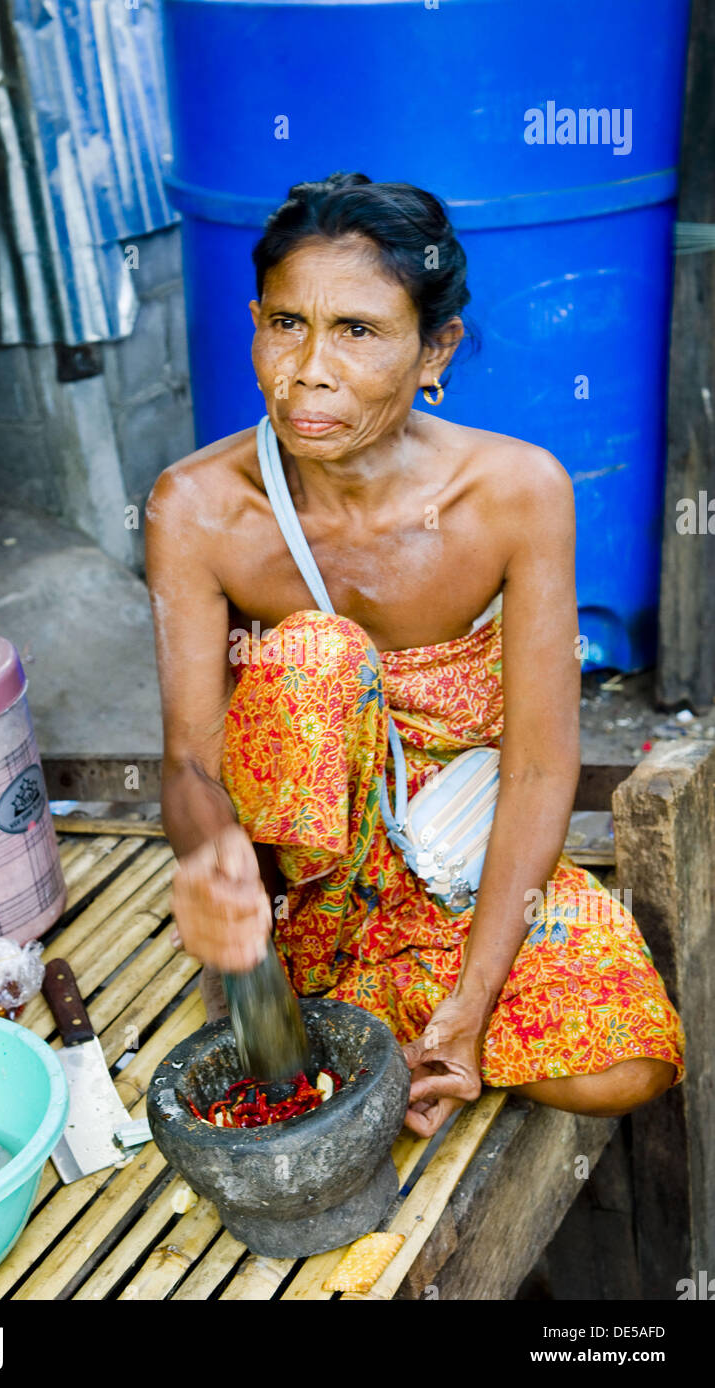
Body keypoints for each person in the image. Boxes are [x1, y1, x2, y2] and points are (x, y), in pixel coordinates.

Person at [145, 171, 685, 1140]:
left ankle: (386, 1028)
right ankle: (310, 991)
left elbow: (534, 764)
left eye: (356, 331)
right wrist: (206, 853)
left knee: (629, 1062)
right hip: (305, 884)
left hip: (455, 859)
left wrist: (469, 1013)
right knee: (311, 653)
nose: (307, 368)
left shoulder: (515, 492)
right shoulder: (195, 507)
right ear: (255, 322)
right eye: (285, 324)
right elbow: (188, 757)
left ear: (434, 349)